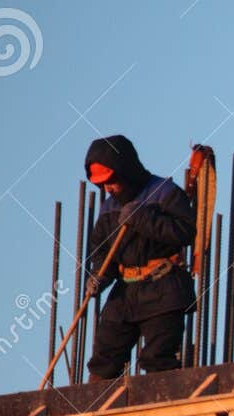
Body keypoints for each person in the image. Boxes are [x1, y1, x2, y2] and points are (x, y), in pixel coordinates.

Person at [82, 136, 197, 380]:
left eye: (111, 181)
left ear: (125, 171)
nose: (107, 189)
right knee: (104, 360)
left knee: (157, 359)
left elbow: (185, 232)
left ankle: (162, 411)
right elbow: (102, 251)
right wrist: (98, 275)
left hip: (163, 288)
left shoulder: (165, 192)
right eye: (101, 184)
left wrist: (143, 219)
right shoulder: (108, 209)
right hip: (125, 292)